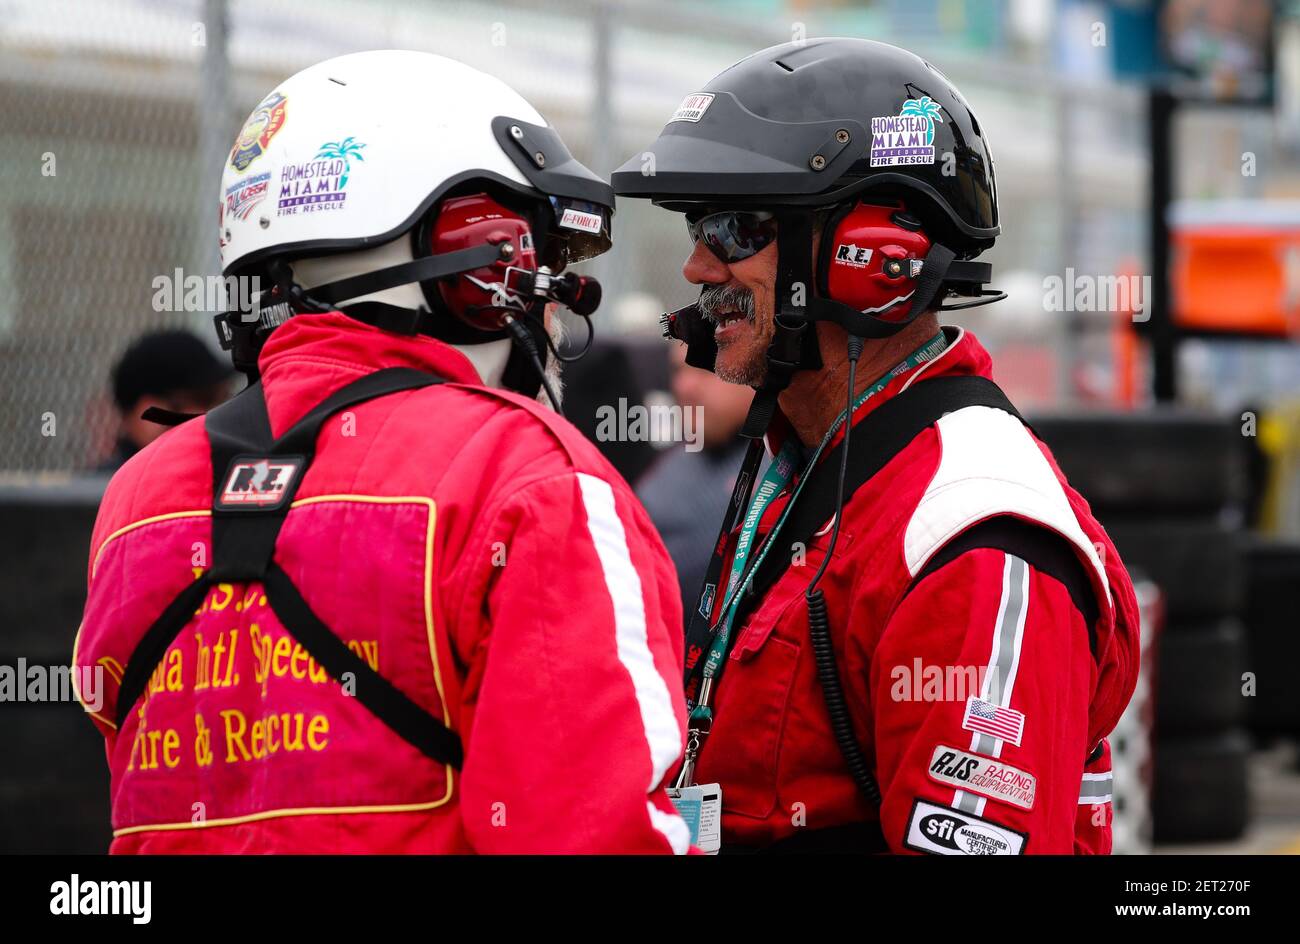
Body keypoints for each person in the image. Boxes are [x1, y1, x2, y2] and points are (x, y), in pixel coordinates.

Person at [74, 50, 690, 854]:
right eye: (536, 269)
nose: (545, 305)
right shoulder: (532, 479)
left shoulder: (137, 494)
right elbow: (595, 830)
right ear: (478, 265)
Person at [612, 37, 1141, 854]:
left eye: (733, 229)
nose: (694, 266)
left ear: (871, 259)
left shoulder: (974, 539)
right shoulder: (811, 465)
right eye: (696, 226)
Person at [637, 344, 756, 621]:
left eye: (707, 368)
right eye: (678, 370)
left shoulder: (793, 464)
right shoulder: (660, 482)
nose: (684, 386)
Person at [98, 329, 234, 471]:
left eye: (224, 399)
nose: (217, 412)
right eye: (206, 399)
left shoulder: (227, 471)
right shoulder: (101, 488)